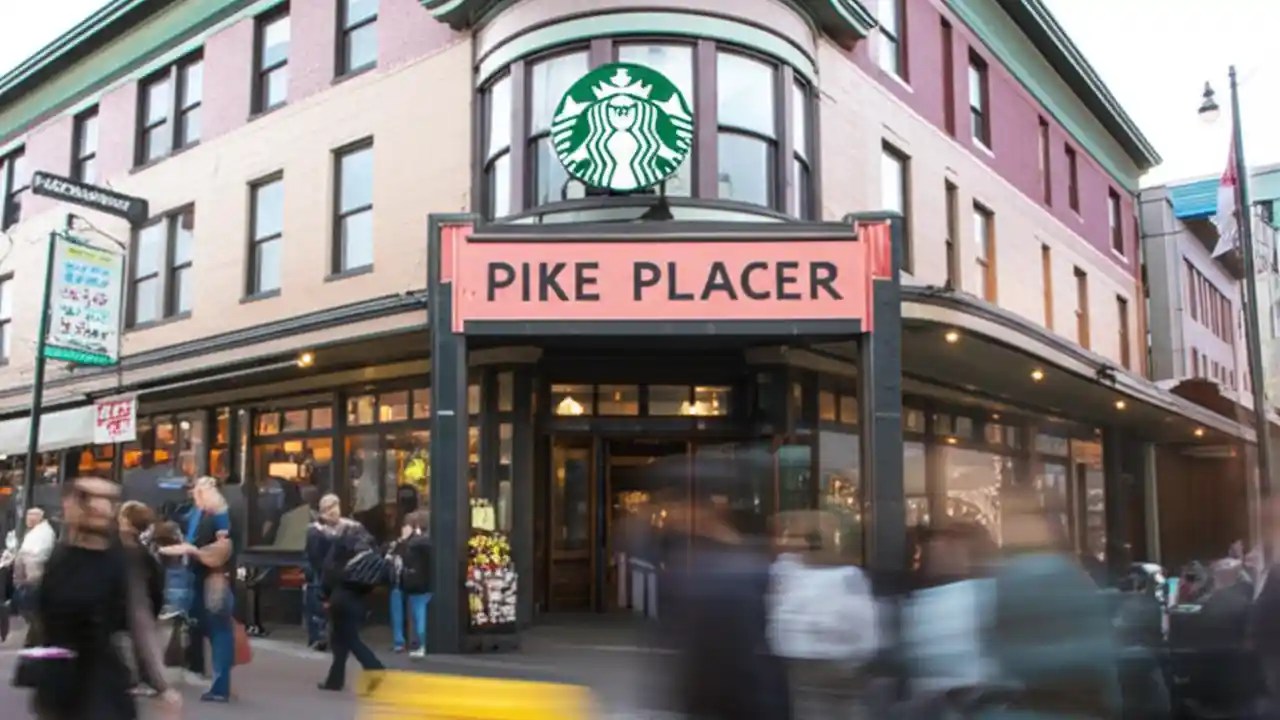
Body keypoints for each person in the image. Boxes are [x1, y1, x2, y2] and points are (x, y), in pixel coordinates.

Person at [30, 477, 180, 720]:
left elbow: (140, 619)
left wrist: (162, 684)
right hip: (59, 683)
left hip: (102, 682)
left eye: (108, 500)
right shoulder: (59, 560)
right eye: (88, 499)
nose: (100, 508)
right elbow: (44, 619)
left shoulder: (121, 560)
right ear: (69, 504)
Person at [160, 476, 233, 703]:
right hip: (198, 576)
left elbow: (223, 549)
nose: (193, 494)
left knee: (219, 630)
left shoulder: (219, 515)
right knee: (202, 624)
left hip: (214, 577)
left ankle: (220, 686)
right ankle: (204, 671)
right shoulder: (198, 513)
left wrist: (193, 551)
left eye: (197, 491)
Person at [317, 497, 385, 693]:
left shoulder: (337, 536)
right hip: (357, 592)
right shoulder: (359, 533)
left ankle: (374, 669)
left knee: (348, 637)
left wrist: (324, 596)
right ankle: (334, 680)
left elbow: (328, 570)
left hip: (341, 594)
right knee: (340, 638)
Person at [118, 501, 165, 696]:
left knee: (134, 644)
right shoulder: (141, 549)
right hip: (141, 606)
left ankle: (143, 680)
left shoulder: (129, 550)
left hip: (131, 607)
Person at [388, 511, 432, 658]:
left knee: (419, 613)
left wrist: (403, 541)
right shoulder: (424, 541)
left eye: (405, 526)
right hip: (420, 583)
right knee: (419, 613)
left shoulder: (413, 543)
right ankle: (418, 643)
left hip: (415, 583)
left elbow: (399, 555)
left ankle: (418, 643)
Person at [304, 494, 344, 652]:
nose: (337, 511)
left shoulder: (339, 529)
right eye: (334, 507)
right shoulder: (315, 531)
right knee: (319, 608)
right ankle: (319, 637)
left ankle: (329, 637)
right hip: (321, 575)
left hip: (333, 574)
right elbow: (315, 556)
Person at [15, 507, 56, 645]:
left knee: (31, 609)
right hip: (27, 577)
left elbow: (36, 554)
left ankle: (38, 638)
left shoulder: (44, 532)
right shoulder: (34, 531)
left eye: (30, 516)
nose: (27, 519)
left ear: (38, 517)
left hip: (34, 577)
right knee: (27, 608)